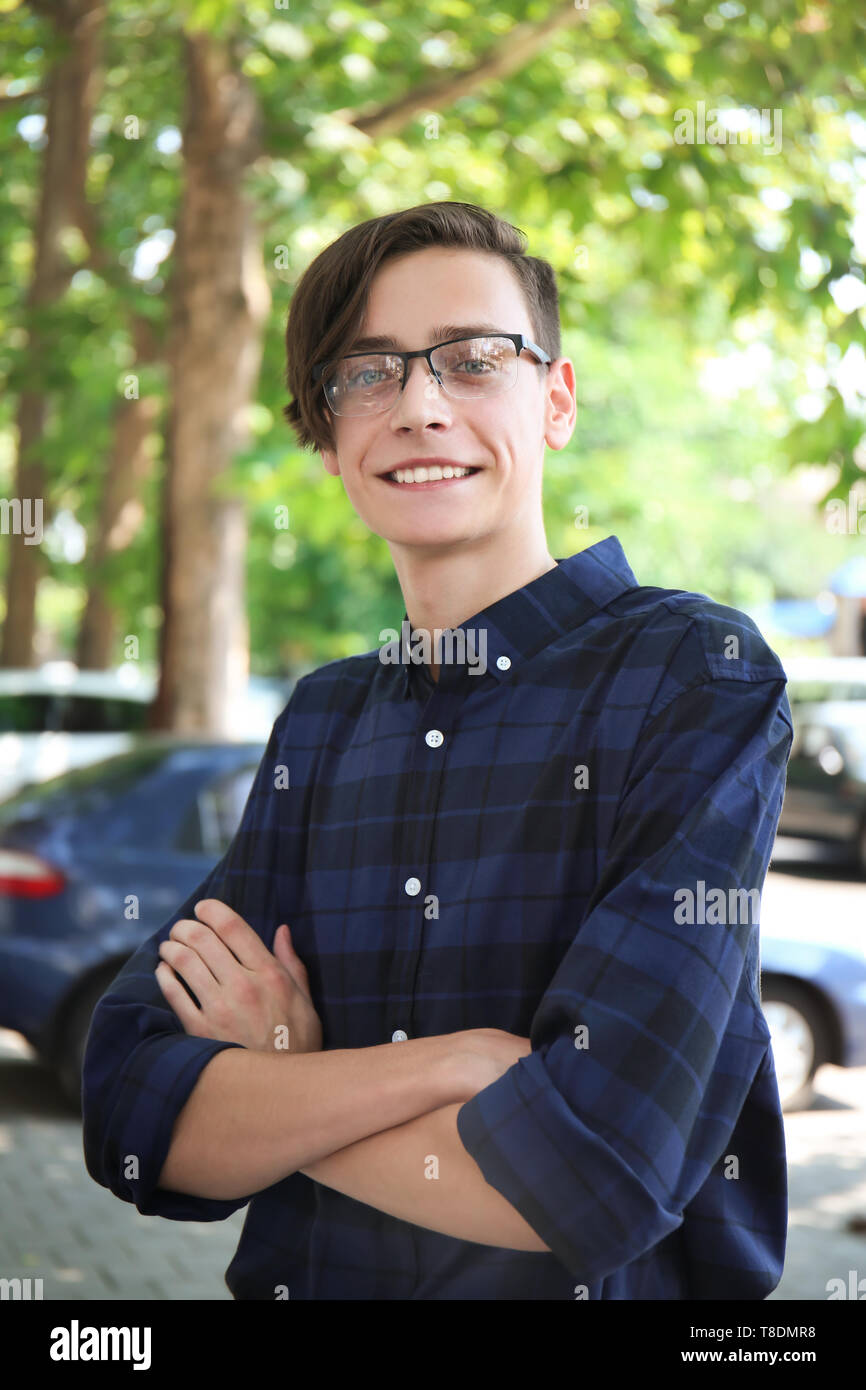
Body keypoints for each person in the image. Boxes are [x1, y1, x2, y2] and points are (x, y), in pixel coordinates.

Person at [82, 200, 793, 1300]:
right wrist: (455, 1068)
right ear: (326, 435)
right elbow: (131, 1109)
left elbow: (585, 1178)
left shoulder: (691, 674)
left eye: (471, 360)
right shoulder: (321, 720)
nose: (417, 405)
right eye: (366, 372)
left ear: (554, 400)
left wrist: (279, 1088)